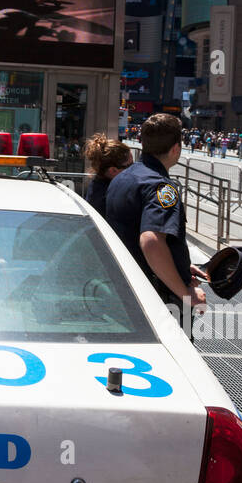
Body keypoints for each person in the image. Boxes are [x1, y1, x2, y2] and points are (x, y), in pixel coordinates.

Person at [106, 113, 207, 327]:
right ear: (176, 149)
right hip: (158, 299)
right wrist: (185, 293)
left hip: (122, 291)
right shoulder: (162, 187)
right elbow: (151, 241)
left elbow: (129, 234)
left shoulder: (121, 178)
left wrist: (179, 264)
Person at [84, 133, 133, 219]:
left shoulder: (98, 184)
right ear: (113, 170)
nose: (135, 168)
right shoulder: (109, 196)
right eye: (130, 165)